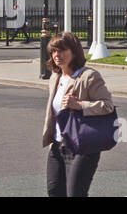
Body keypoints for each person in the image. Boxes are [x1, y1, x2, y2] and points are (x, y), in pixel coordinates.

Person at [43, 32, 114, 198]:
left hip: (82, 147)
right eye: (53, 51)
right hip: (58, 145)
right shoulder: (56, 77)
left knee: (75, 194)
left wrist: (80, 105)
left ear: (74, 52)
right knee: (54, 191)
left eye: (62, 50)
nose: (57, 55)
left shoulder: (89, 77)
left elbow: (107, 106)